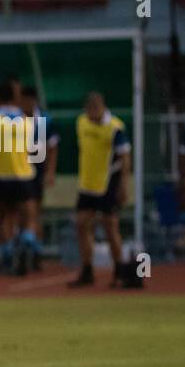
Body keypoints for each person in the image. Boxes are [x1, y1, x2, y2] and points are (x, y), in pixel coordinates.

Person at [69, 92, 132, 288]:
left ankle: (119, 270)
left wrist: (123, 185)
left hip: (107, 184)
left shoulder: (115, 128)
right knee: (81, 224)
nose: (91, 113)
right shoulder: (81, 123)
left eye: (95, 108)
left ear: (102, 107)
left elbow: (125, 158)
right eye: (88, 109)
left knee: (110, 227)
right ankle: (87, 270)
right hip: (87, 185)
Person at [0, 77, 41, 275]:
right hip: (24, 173)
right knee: (30, 214)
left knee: (5, 216)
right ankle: (26, 241)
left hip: (2, 173)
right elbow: (34, 148)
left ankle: (8, 255)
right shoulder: (26, 119)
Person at [19, 85, 59, 244]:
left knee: (35, 210)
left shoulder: (45, 120)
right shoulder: (15, 120)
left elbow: (53, 148)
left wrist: (50, 172)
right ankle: (23, 247)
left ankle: (35, 249)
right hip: (18, 169)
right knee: (21, 212)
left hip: (37, 168)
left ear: (34, 101)